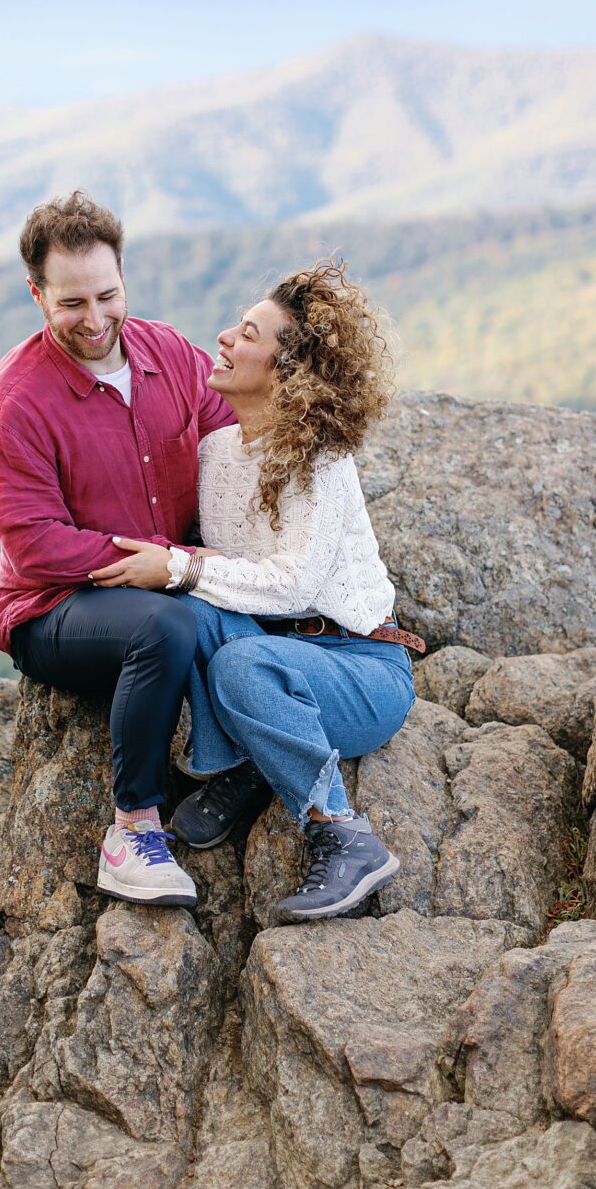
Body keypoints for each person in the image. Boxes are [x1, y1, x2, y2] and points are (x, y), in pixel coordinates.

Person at [88, 258, 423, 922]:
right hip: (273, 655)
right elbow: (216, 575)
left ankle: (343, 837)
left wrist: (182, 566)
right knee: (182, 616)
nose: (225, 338)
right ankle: (248, 761)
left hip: (359, 668)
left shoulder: (320, 459)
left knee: (235, 652)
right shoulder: (216, 453)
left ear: (287, 371)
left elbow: (291, 581)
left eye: (247, 333)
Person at [0, 190, 235, 911]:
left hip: (173, 574)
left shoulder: (171, 354)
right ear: (37, 295)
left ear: (124, 277)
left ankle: (248, 776)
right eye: (71, 303)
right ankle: (132, 833)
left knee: (262, 608)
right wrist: (162, 566)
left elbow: (231, 446)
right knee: (168, 625)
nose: (94, 319)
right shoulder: (12, 405)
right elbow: (35, 544)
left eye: (107, 295)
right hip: (55, 609)